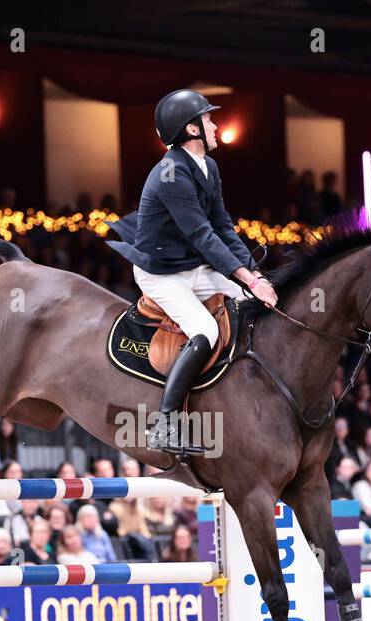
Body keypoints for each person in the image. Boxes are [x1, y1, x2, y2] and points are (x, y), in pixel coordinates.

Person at [105, 89, 277, 455]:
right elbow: (201, 235)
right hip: (162, 273)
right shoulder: (170, 173)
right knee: (205, 328)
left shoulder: (208, 167)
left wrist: (253, 274)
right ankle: (165, 425)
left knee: (255, 303)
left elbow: (223, 226)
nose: (215, 124)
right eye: (209, 119)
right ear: (192, 130)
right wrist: (245, 278)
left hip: (194, 266)